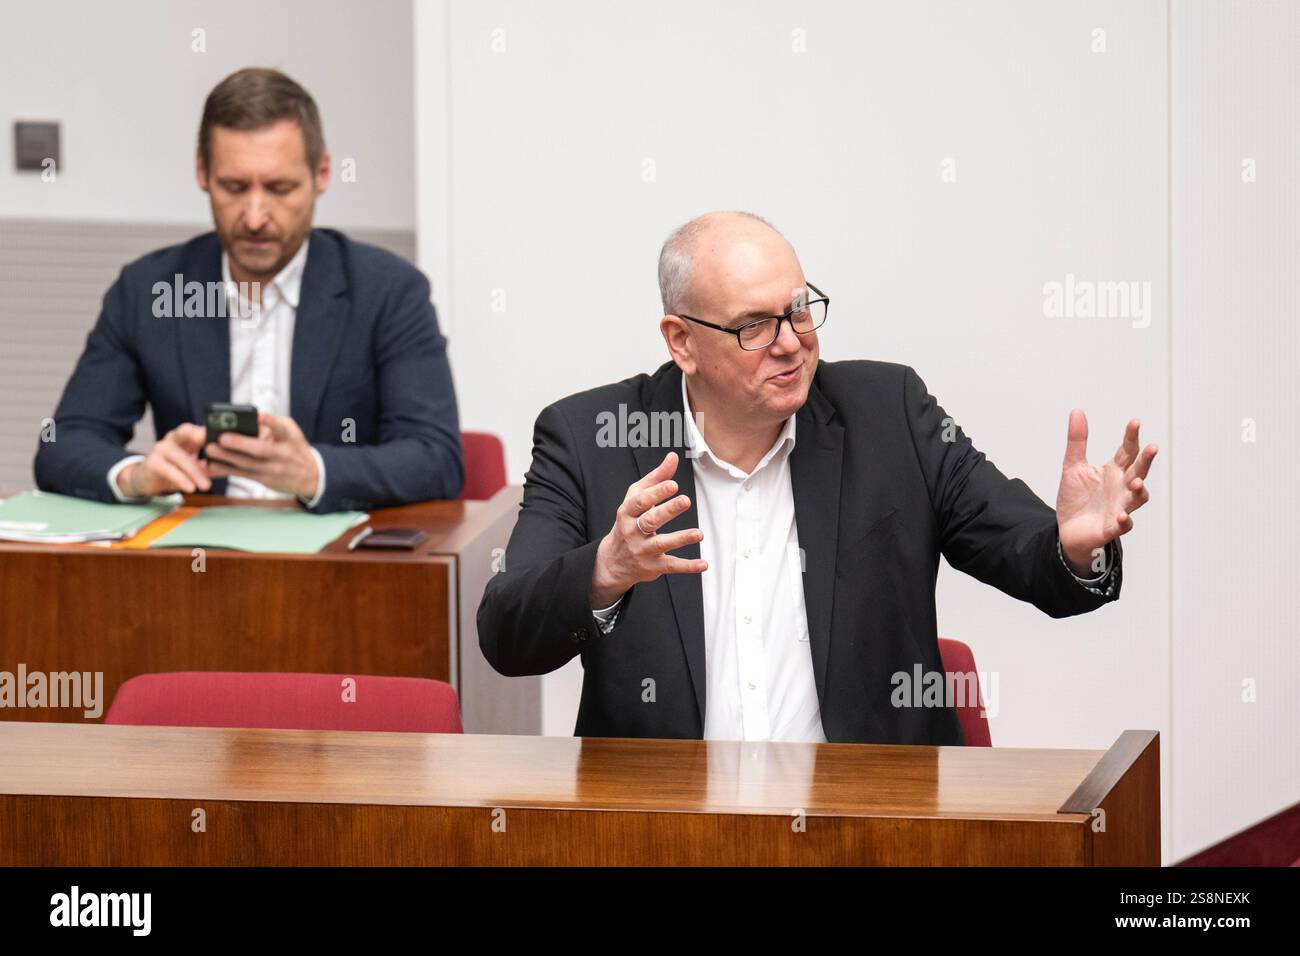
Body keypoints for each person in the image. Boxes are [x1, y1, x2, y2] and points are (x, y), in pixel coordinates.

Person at [477, 210, 1157, 744]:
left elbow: (1030, 558)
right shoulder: (590, 437)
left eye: (799, 308)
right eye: (753, 325)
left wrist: (1074, 544)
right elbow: (507, 635)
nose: (790, 340)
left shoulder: (889, 415)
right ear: (681, 340)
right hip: (668, 835)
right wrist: (607, 568)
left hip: (865, 830)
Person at [34, 67, 463, 512]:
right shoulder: (150, 290)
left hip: (342, 567)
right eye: (234, 187)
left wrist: (314, 472)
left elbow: (437, 457)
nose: (255, 216)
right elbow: (63, 444)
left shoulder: (388, 291)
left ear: (322, 174)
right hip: (195, 558)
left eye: (280, 189)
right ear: (202, 172)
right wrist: (136, 475)